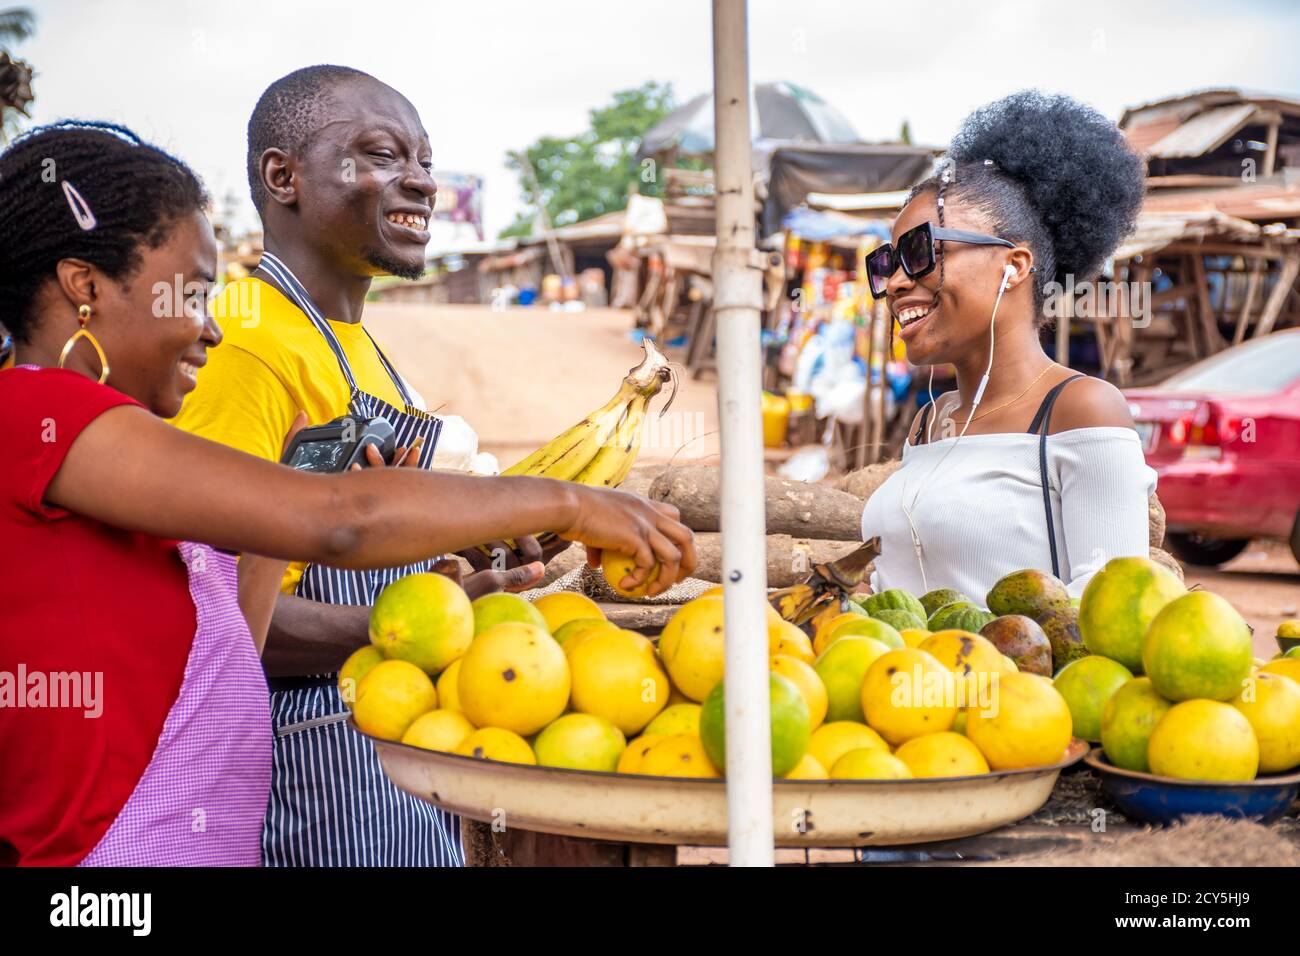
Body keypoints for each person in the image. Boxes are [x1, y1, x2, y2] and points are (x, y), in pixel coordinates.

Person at [0, 121, 696, 867]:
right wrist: (571, 502)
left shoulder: (125, 458)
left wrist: (317, 514)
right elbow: (338, 523)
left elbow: (232, 649)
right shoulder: (35, 414)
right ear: (85, 288)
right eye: (192, 295)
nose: (210, 331)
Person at [169, 65, 596, 865]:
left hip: (390, 768)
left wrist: (445, 574)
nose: (422, 182)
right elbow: (213, 621)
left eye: (426, 160)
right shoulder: (244, 348)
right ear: (282, 177)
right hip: (300, 776)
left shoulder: (363, 351)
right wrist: (402, 634)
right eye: (381, 154)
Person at [860, 91, 1154, 601]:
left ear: (1014, 266)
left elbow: (1115, 617)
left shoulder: (1081, 409)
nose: (895, 283)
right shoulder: (932, 421)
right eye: (887, 263)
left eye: (920, 251)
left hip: (1013, 683)